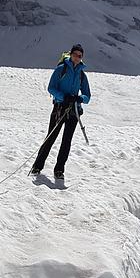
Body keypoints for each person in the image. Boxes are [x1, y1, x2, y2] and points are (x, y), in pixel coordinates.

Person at [31, 43, 91, 180]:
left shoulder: (82, 74)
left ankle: (59, 170)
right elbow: (51, 88)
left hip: (74, 111)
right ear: (70, 54)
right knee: (51, 137)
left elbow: (87, 96)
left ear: (82, 57)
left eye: (79, 56)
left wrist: (79, 98)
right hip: (59, 108)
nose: (77, 57)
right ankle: (37, 166)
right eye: (75, 54)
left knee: (66, 141)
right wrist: (63, 97)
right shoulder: (61, 69)